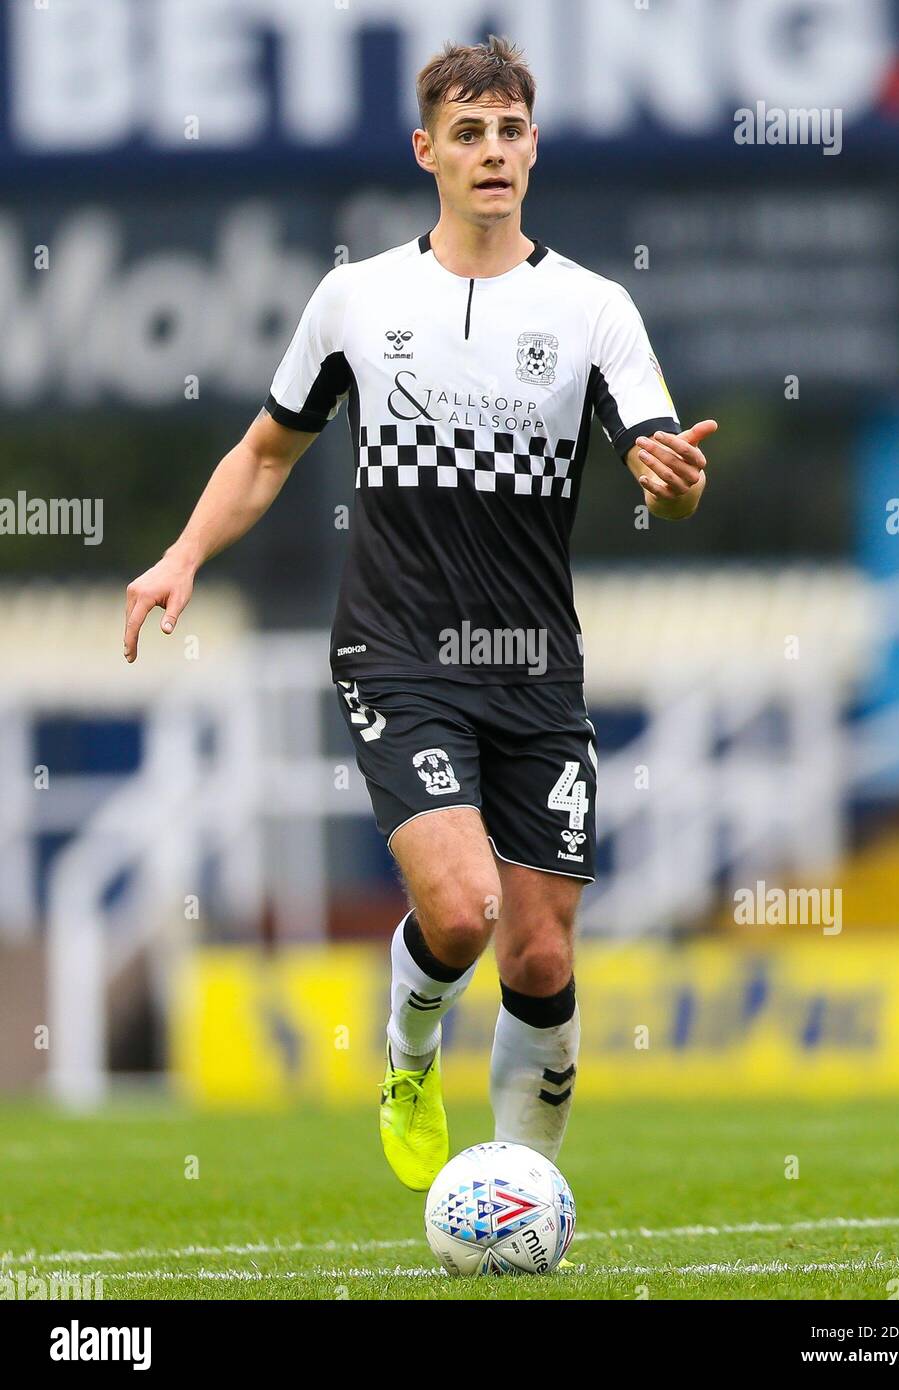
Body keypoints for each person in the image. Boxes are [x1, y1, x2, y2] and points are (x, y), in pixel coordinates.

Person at [123, 35, 716, 1191]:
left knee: (538, 948)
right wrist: (182, 553)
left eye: (510, 133)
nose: (492, 153)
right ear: (427, 152)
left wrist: (673, 485)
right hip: (397, 651)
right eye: (469, 134)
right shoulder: (356, 299)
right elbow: (263, 451)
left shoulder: (594, 310)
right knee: (461, 914)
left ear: (532, 147)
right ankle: (406, 1052)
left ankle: (513, 1196)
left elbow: (659, 458)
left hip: (536, 665)